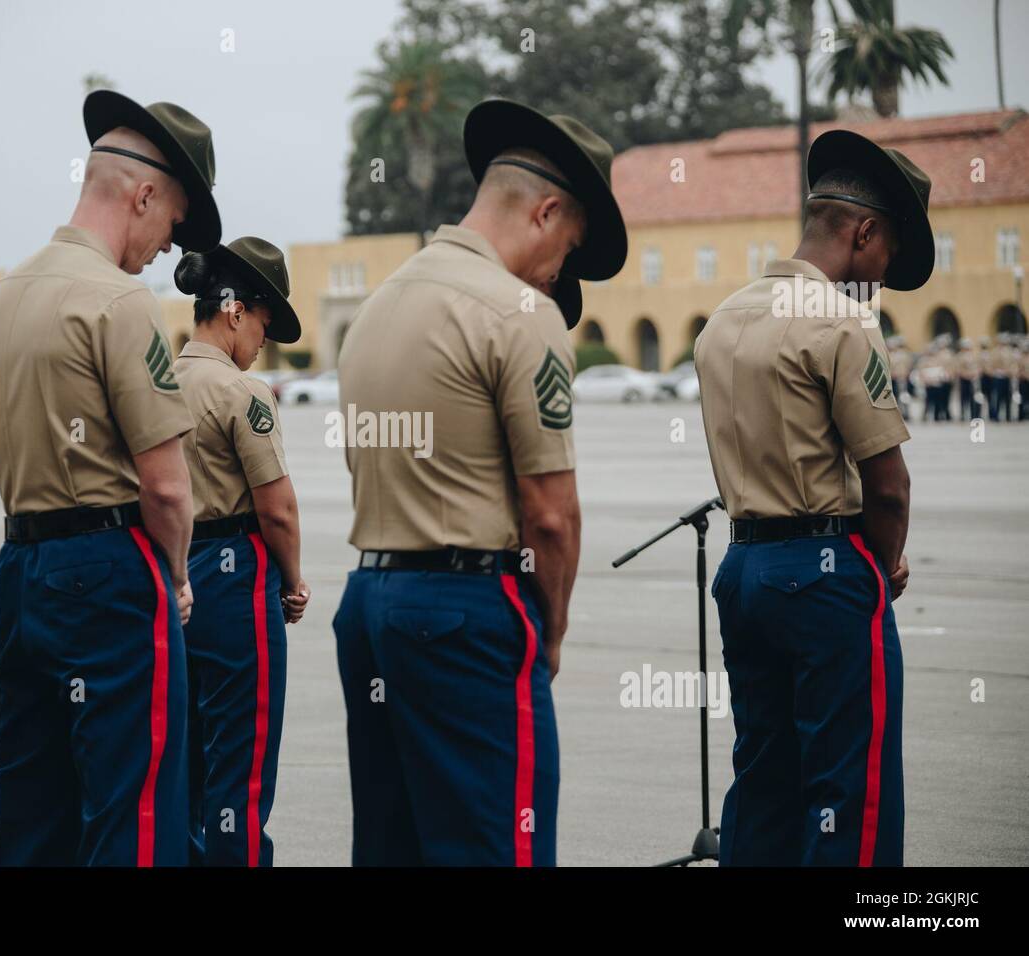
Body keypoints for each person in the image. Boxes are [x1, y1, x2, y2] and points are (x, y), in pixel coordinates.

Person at [333, 98, 626, 866]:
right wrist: (550, 631)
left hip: (369, 604)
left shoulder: (380, 305)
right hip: (465, 611)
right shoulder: (520, 312)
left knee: (394, 847)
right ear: (547, 211)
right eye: (570, 245)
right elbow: (551, 515)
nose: (562, 268)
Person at [0, 90, 220, 866]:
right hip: (110, 574)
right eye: (172, 227)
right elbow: (168, 487)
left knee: (32, 802)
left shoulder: (1, 299)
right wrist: (176, 576)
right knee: (134, 806)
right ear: (144, 195)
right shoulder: (120, 301)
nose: (166, 251)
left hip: (21, 566)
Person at [695, 128, 929, 866]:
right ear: (863, 232)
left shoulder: (723, 319)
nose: (884, 273)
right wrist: (881, 567)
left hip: (742, 570)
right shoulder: (844, 319)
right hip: (826, 575)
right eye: (887, 251)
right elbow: (887, 486)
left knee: (762, 779)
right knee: (847, 792)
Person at [171, 237, 309, 866]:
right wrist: (292, 582)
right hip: (234, 584)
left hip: (172, 577)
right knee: (242, 768)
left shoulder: (158, 379)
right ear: (234, 311)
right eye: (263, 322)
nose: (263, 340)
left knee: (185, 763)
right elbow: (277, 507)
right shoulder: (243, 393)